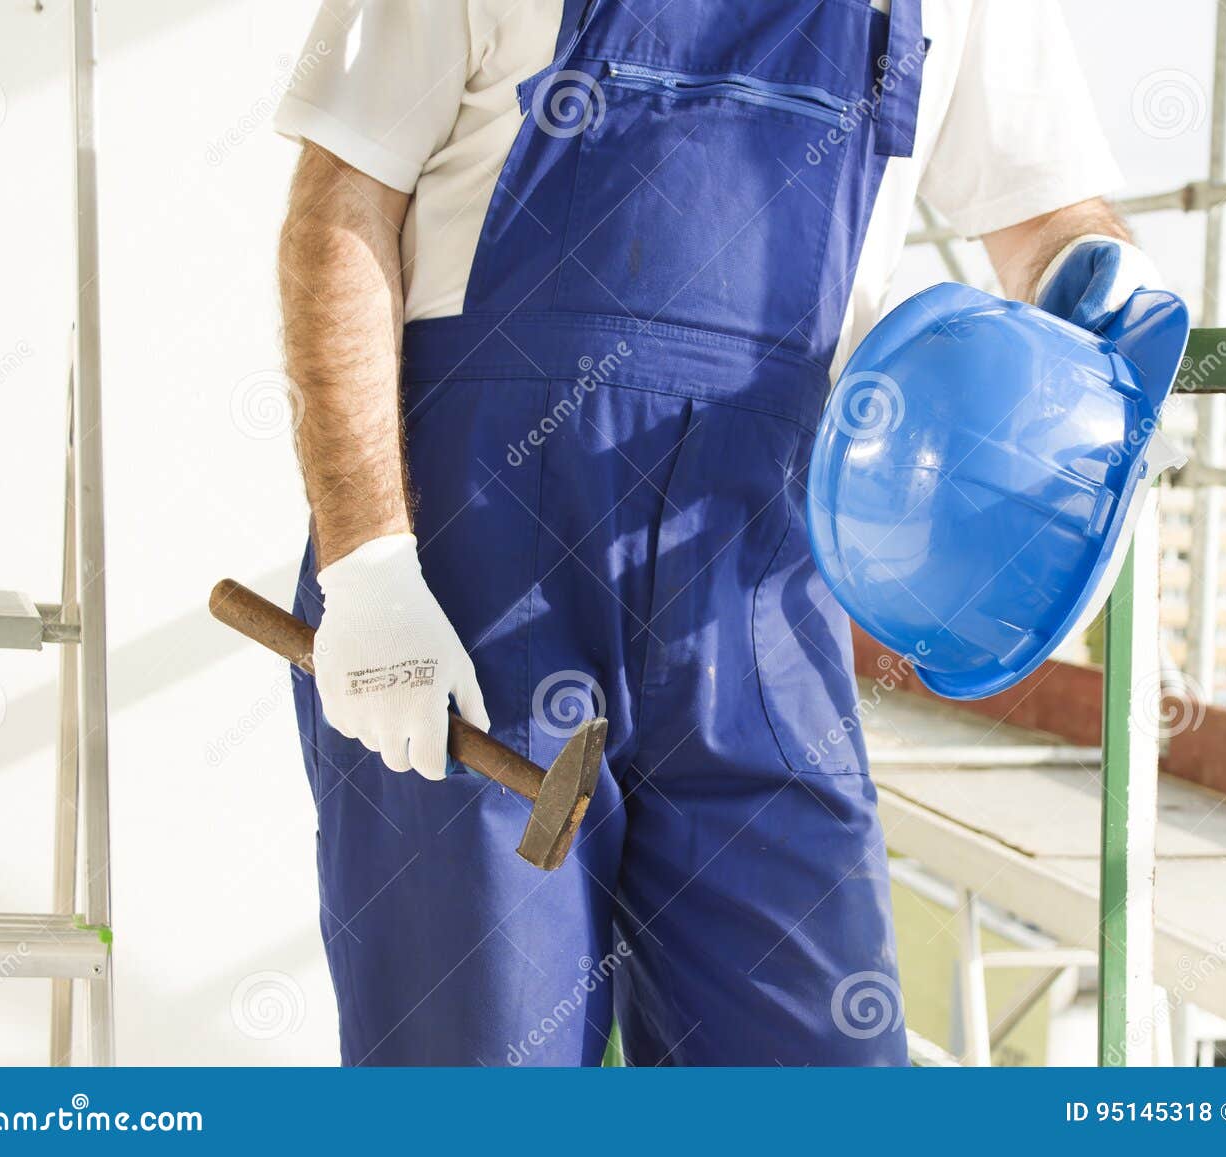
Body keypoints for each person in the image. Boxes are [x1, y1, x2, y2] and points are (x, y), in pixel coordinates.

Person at [273, 0, 1161, 1066]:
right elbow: (341, 205)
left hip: (757, 598)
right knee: (469, 1069)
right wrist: (367, 562)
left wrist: (1093, 274)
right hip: (469, 594)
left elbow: (1049, 219)